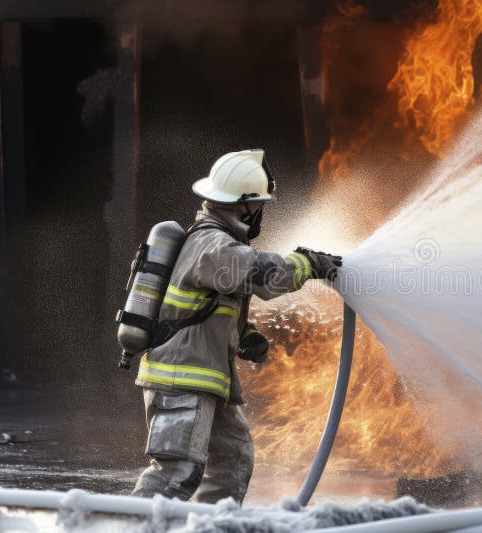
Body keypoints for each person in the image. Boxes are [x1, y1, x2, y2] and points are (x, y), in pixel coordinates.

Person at [131, 149, 341, 504]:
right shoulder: (212, 244)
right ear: (243, 206)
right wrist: (308, 263)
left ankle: (210, 529)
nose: (262, 212)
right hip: (183, 378)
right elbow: (262, 274)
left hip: (209, 378)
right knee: (176, 472)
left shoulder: (216, 242)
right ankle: (124, 528)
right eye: (259, 204)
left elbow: (205, 307)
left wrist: (244, 334)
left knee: (232, 462)